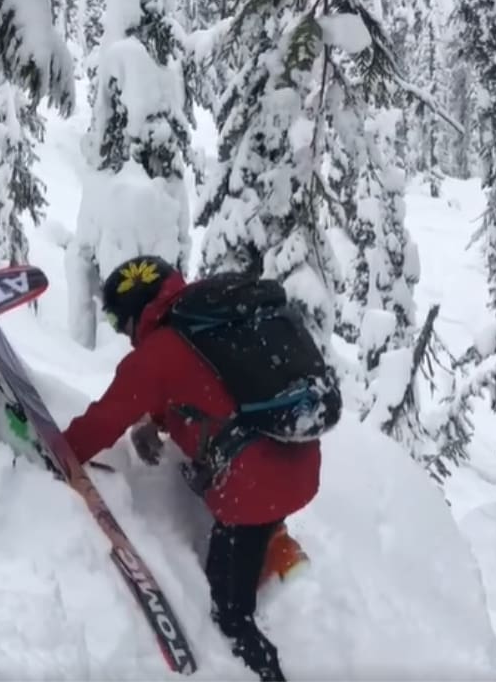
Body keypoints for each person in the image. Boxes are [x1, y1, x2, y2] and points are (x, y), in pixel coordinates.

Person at [62, 255, 322, 682]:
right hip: (299, 457)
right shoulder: (207, 325)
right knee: (227, 497)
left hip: (255, 490)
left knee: (231, 617)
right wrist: (157, 421)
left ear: (134, 310)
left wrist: (57, 451)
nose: (121, 333)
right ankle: (275, 550)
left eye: (116, 320)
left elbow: (103, 421)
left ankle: (265, 665)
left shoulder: (160, 352)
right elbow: (210, 395)